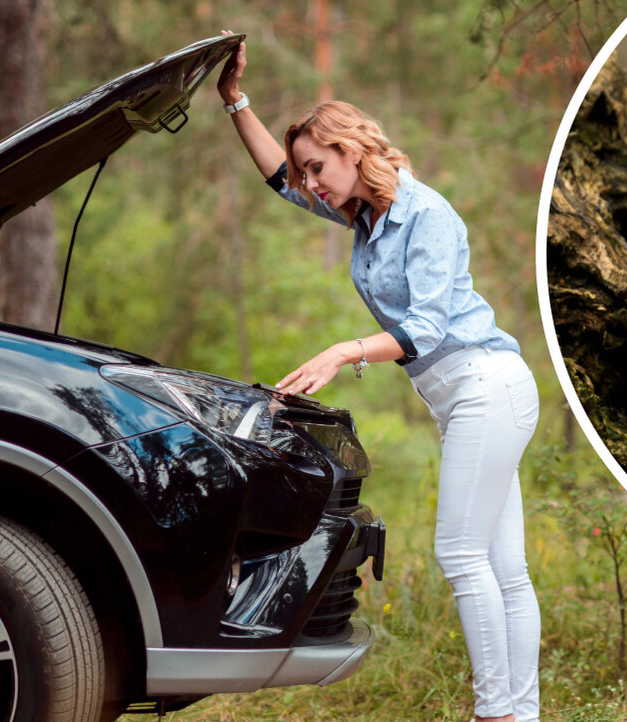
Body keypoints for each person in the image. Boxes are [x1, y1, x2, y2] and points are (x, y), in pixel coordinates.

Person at [216, 38, 541, 722]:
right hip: (466, 398)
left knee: (459, 552)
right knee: (504, 570)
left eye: (317, 167)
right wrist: (235, 102)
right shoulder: (364, 218)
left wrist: (342, 352)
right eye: (306, 172)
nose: (309, 182)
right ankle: (521, 713)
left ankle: (496, 713)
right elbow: (277, 180)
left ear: (351, 150)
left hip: (488, 384)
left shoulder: (428, 215)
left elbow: (424, 327)